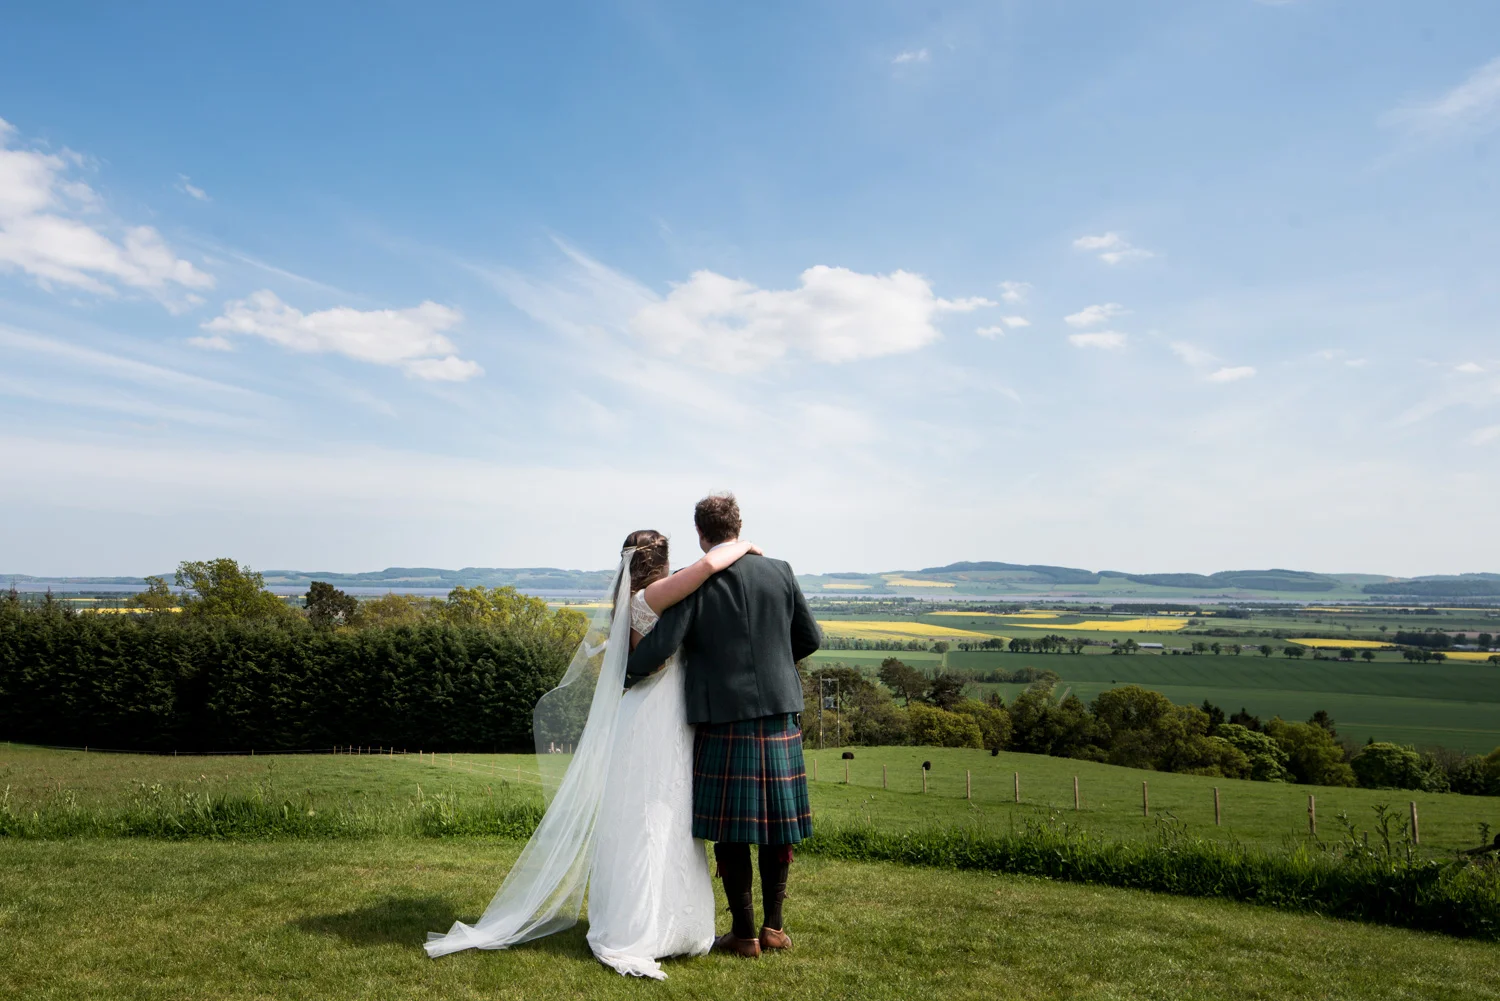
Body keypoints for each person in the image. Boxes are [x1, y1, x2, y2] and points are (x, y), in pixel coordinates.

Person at [424, 527, 761, 981]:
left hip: (653, 716)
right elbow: (704, 568)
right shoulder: (654, 596)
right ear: (659, 563)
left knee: (658, 819)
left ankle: (663, 924)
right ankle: (649, 929)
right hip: (657, 720)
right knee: (655, 819)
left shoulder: (631, 603)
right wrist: (739, 546)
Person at [627, 493, 821, 958]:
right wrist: (772, 666)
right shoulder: (781, 571)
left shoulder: (698, 582)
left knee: (732, 828)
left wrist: (627, 670)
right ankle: (774, 928)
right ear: (738, 525)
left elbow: (665, 643)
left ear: (701, 534)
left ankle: (746, 935)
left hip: (724, 717)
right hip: (780, 713)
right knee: (777, 826)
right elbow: (810, 638)